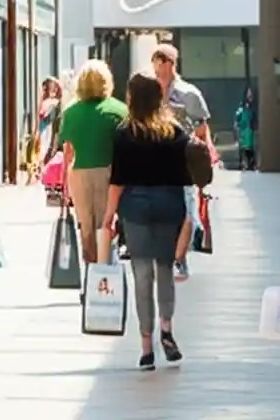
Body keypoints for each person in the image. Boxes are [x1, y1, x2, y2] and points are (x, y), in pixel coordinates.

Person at [104, 72, 192, 371]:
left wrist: (109, 216)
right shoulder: (175, 132)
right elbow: (185, 178)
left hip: (136, 208)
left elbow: (118, 181)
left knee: (142, 273)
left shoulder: (124, 133)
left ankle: (146, 346)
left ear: (132, 99)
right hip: (169, 205)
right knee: (165, 269)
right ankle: (167, 328)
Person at [151, 43, 211, 282]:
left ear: (172, 64)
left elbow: (202, 127)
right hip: (154, 161)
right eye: (156, 65)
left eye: (163, 64)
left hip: (182, 160)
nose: (159, 70)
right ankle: (164, 254)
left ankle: (178, 259)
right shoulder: (150, 92)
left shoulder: (189, 93)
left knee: (187, 209)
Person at [59, 60, 127, 264]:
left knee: (86, 227)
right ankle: (105, 270)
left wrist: (64, 185)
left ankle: (90, 271)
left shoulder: (71, 112)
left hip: (79, 173)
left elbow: (68, 150)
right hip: (110, 172)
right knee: (106, 224)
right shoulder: (119, 110)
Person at [36, 76, 63, 166]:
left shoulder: (54, 104)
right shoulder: (51, 103)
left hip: (47, 131)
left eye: (55, 89)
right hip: (43, 131)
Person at [235, 87, 257, 170]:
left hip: (250, 133)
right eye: (248, 95)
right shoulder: (241, 110)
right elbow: (237, 123)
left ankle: (251, 164)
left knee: (250, 149)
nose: (250, 97)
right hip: (244, 133)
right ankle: (244, 164)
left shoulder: (253, 110)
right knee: (244, 149)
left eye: (251, 95)